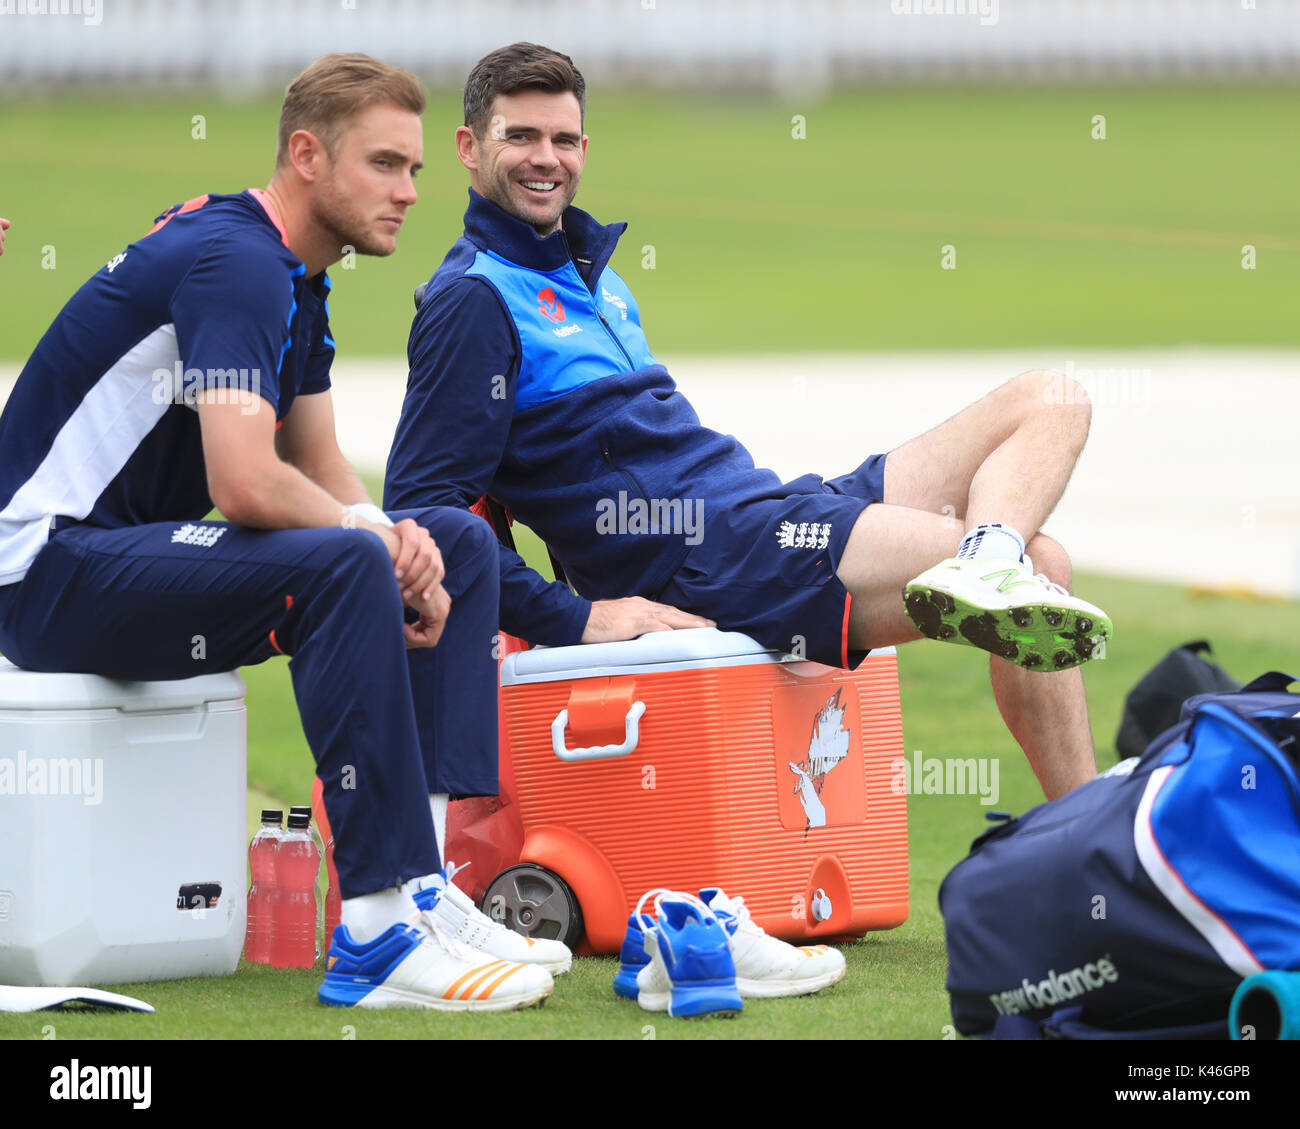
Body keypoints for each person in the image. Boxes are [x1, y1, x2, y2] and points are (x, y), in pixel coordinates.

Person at [385, 42, 1112, 803]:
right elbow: (423, 509)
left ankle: (990, 571)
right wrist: (575, 617)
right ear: (468, 147)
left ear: (585, 150)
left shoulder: (596, 273)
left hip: (764, 514)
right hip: (712, 557)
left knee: (1053, 399)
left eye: (563, 139)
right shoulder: (473, 300)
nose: (547, 158)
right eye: (521, 137)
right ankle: (1089, 829)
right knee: (1042, 567)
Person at [0, 53, 569, 1012]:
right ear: (307, 156)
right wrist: (366, 542)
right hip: (39, 575)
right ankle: (377, 935)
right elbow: (243, 481)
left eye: (415, 168)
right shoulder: (242, 265)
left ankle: (425, 888)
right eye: (383, 164)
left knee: (455, 544)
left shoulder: (296, 274)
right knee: (347, 563)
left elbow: (315, 457)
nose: (409, 191)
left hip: (114, 562)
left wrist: (398, 539)